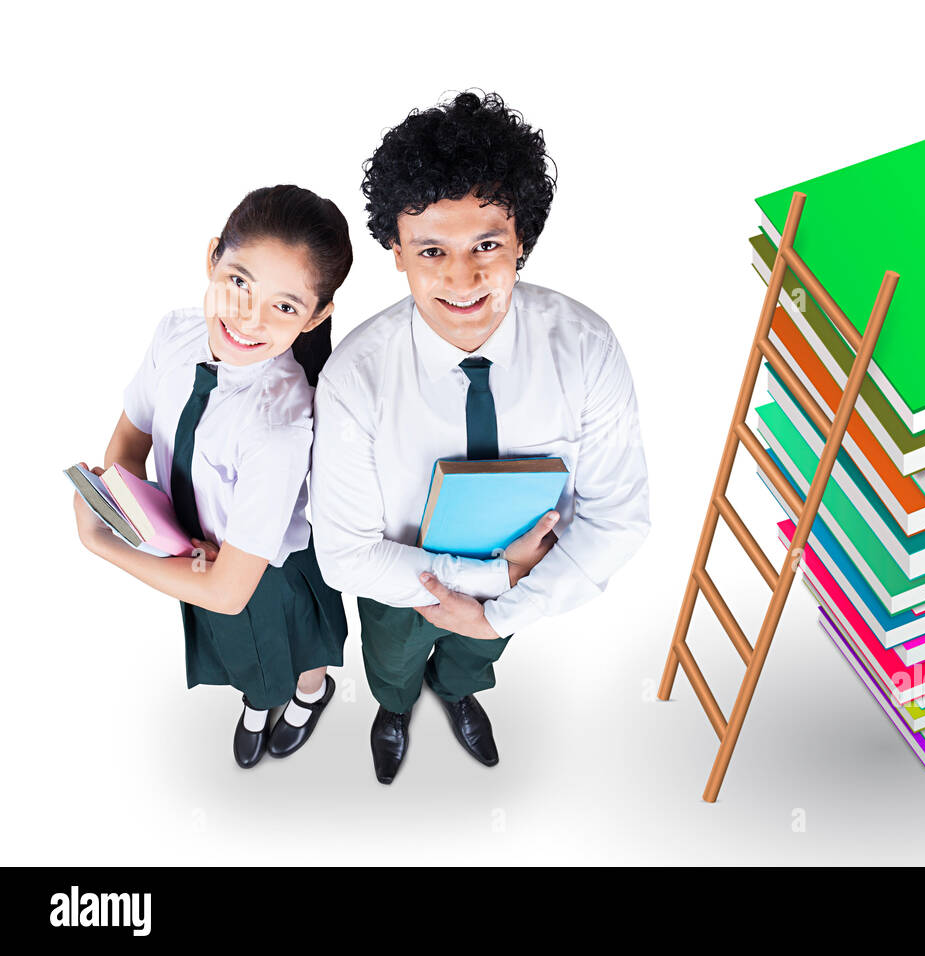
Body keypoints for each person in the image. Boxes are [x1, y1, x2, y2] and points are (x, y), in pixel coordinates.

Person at [312, 91, 651, 785]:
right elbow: (346, 556)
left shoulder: (585, 348)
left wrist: (503, 611)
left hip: (525, 581)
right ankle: (395, 710)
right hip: (408, 583)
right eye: (431, 249)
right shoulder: (355, 376)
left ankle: (460, 693)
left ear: (521, 239)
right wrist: (499, 576)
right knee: (393, 664)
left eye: (487, 245)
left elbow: (619, 516)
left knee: (476, 656)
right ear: (395, 252)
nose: (462, 279)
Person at [72, 184, 353, 769]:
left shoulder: (279, 421)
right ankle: (257, 703)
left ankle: (309, 695)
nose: (247, 318)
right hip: (192, 552)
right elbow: (131, 436)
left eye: (285, 306)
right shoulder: (174, 332)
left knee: (296, 646)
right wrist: (124, 511)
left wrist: (101, 543)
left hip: (267, 567)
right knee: (244, 657)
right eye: (239, 281)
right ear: (212, 259)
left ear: (316, 316)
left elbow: (230, 591)